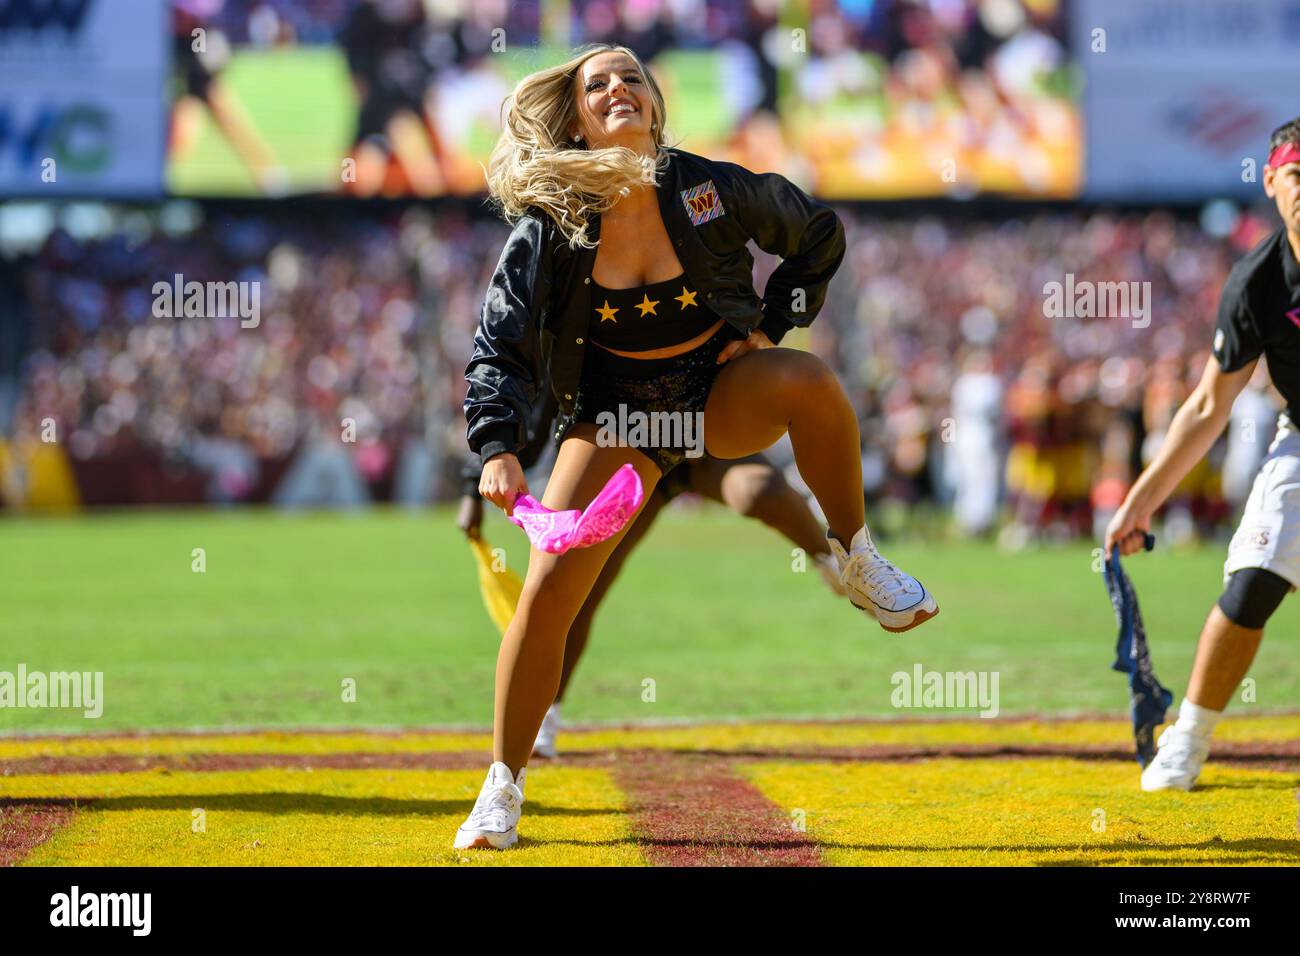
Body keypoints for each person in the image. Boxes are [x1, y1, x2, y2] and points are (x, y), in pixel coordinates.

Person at [455, 43, 939, 850]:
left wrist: (770, 326)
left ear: (655, 104)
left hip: (711, 403)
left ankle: (854, 556)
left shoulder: (710, 186)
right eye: (597, 83)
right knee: (548, 600)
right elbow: (497, 343)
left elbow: (818, 233)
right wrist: (496, 446)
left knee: (809, 384)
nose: (618, 89)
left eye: (632, 78)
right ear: (576, 117)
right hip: (618, 421)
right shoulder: (552, 224)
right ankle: (501, 788)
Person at [456, 383, 848, 759]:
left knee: (760, 491)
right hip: (631, 442)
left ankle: (837, 560)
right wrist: (477, 482)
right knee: (577, 585)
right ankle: (545, 714)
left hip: (700, 435)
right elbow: (534, 388)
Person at [1105, 117, 1300, 792]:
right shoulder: (1259, 282)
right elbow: (1207, 407)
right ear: (1272, 181)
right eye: (1298, 175)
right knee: (1251, 584)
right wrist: (1139, 501)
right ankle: (1187, 739)